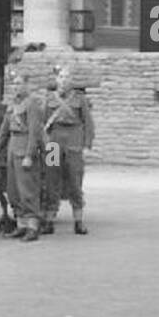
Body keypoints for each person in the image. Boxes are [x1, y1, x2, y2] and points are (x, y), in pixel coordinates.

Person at [0, 59, 45, 242]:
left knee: (27, 190)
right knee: (13, 190)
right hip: (13, 147)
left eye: (20, 83)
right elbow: (4, 130)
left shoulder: (32, 104)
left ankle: (33, 227)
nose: (17, 87)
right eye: (15, 83)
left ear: (27, 85)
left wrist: (29, 155)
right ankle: (21, 225)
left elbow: (34, 132)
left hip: (24, 147)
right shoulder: (13, 105)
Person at [41, 63, 95, 235]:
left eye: (67, 77)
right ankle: (49, 220)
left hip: (73, 139)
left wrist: (86, 144)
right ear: (56, 80)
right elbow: (42, 123)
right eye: (61, 77)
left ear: (71, 80)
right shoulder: (48, 99)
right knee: (51, 180)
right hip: (54, 141)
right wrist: (44, 143)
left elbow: (88, 123)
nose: (64, 81)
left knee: (75, 180)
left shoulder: (79, 99)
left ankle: (78, 221)